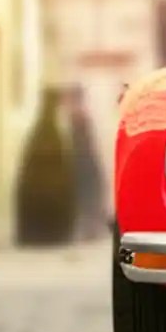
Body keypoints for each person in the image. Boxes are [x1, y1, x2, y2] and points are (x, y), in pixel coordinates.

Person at [67, 86, 108, 241]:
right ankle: (89, 229)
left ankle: (90, 229)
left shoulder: (79, 118)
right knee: (87, 197)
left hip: (82, 162)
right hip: (84, 162)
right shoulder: (79, 117)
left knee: (87, 197)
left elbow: (85, 144)